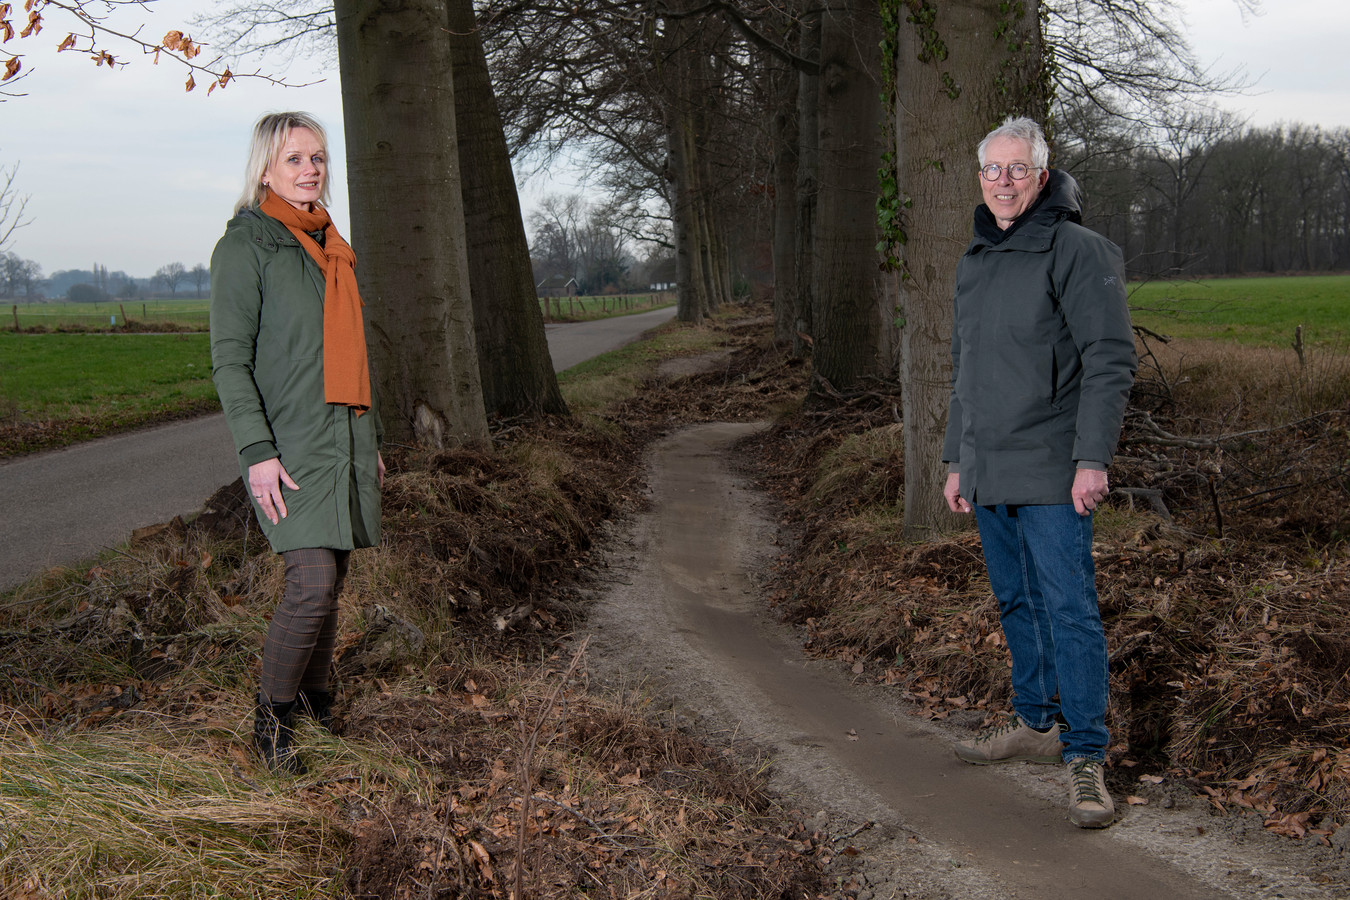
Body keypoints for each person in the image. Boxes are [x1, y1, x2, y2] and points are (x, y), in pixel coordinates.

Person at [942, 116, 1136, 828]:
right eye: (993, 169)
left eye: (1018, 168)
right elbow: (965, 370)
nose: (1004, 181)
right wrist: (957, 459)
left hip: (1055, 467)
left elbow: (1109, 360)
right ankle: (1036, 722)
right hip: (989, 466)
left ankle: (1085, 754)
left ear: (1042, 175)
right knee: (1016, 602)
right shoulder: (976, 258)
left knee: (1069, 611)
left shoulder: (1078, 250)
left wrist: (1092, 459)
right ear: (980, 177)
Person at [210, 111, 385, 774]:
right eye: (294, 159)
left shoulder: (330, 245)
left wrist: (365, 440)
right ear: (265, 169)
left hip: (339, 436)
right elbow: (230, 362)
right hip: (286, 445)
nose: (310, 169)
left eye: (317, 158)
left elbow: (347, 356)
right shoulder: (246, 247)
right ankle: (271, 724)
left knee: (332, 579)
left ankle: (315, 705)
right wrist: (256, 452)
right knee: (310, 581)